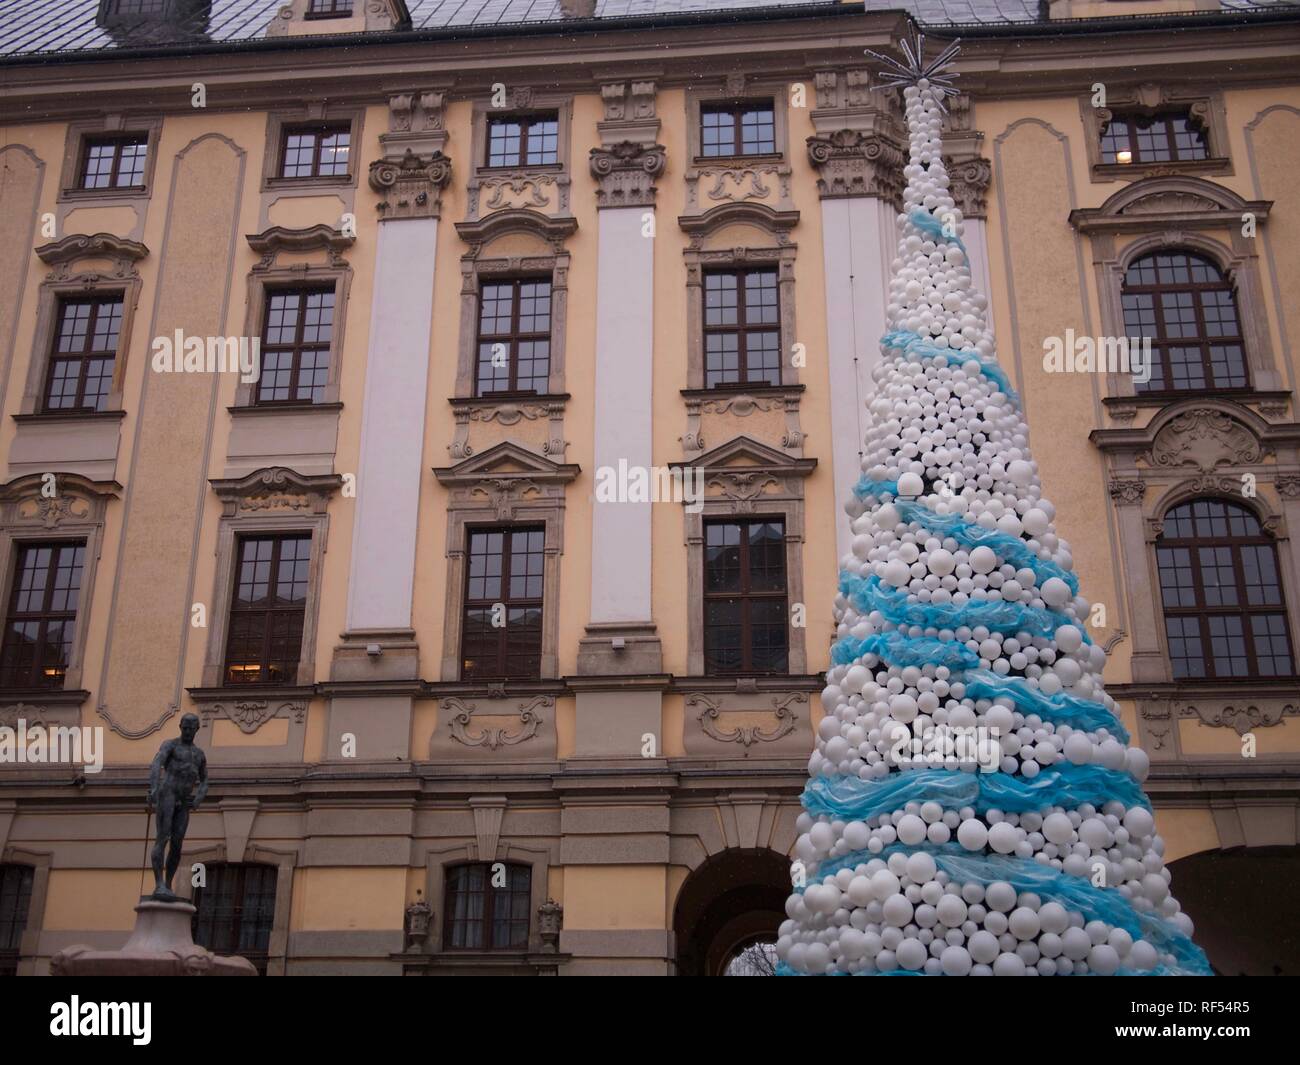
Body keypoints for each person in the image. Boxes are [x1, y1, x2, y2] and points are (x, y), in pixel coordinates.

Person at [147, 713, 208, 900]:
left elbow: (205, 780)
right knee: (163, 837)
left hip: (185, 800)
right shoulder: (171, 745)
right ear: (180, 727)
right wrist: (154, 787)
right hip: (168, 794)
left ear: (197, 729)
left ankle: (167, 884)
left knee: (177, 844)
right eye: (185, 728)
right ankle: (158, 884)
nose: (188, 731)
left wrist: (198, 798)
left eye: (191, 728)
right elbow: (157, 762)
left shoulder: (199, 754)